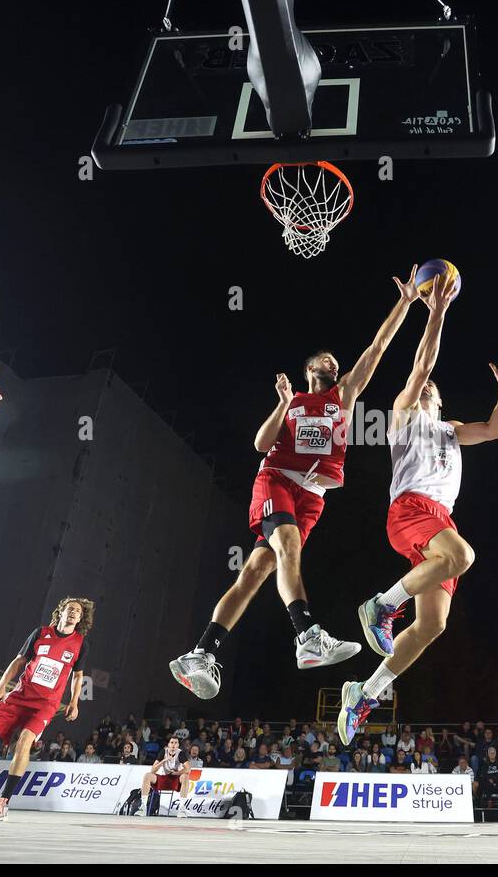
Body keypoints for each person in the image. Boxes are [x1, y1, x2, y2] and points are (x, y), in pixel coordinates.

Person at [170, 267, 429, 698]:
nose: (333, 362)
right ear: (310, 368)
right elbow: (260, 443)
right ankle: (308, 636)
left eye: (336, 361)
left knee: (254, 572)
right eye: (324, 359)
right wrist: (282, 404)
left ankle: (202, 652)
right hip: (276, 480)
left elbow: (378, 346)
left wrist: (404, 302)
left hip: (312, 496)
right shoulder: (294, 404)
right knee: (287, 547)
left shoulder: (341, 397)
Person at [339, 274, 498, 745]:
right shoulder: (404, 415)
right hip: (410, 509)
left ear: (440, 402)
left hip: (439, 521)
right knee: (465, 557)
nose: (423, 391)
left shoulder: (452, 429)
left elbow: (496, 429)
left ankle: (365, 693)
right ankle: (380, 606)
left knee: (433, 625)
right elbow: (421, 365)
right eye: (420, 387)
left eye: (429, 391)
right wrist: (436, 312)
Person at [0, 597, 92, 822]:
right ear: (61, 612)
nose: (73, 613)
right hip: (19, 696)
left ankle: (2, 804)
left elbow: (78, 676)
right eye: (70, 609)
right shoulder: (40, 634)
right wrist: (1, 686)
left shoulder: (81, 643)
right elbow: (19, 661)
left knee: (24, 741)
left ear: (80, 618)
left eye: (77, 612)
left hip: (45, 704)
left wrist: (74, 702)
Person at [134, 738, 190, 817]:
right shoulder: (163, 752)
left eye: (176, 743)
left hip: (176, 778)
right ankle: (143, 808)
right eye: (172, 742)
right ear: (168, 744)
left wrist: (176, 773)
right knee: (147, 775)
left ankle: (182, 809)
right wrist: (164, 760)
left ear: (178, 745)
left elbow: (188, 769)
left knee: (185, 776)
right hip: (164, 778)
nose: (173, 745)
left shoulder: (180, 753)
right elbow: (153, 770)